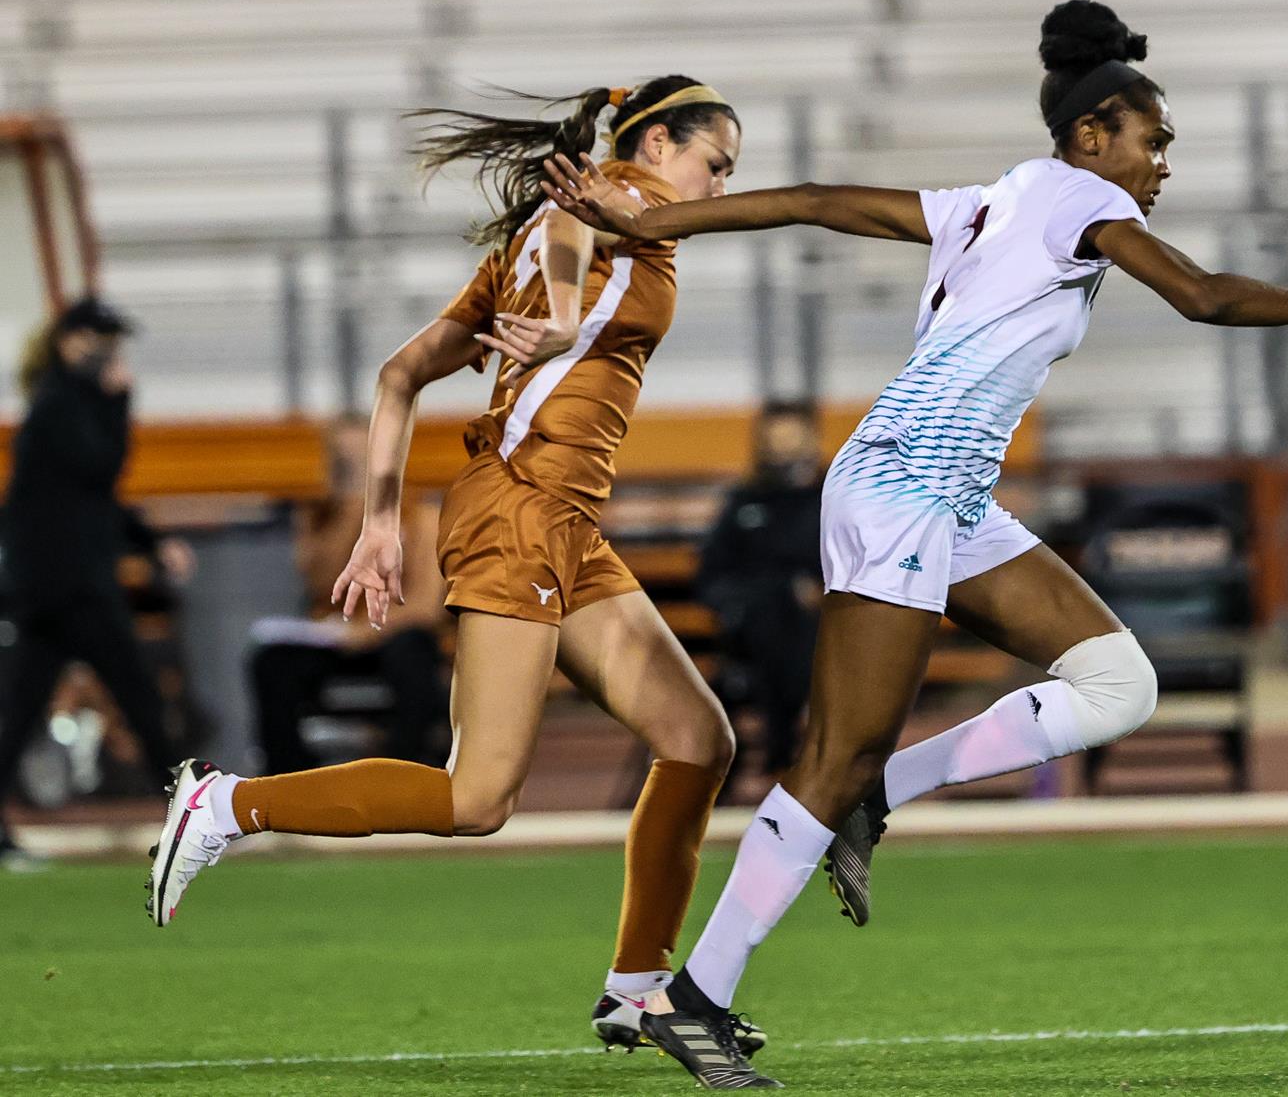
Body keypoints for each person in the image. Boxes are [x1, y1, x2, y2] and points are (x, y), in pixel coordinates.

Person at [542, 0, 1288, 1087]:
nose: (1161, 161)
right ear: (1089, 134)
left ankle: (881, 799)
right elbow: (1201, 297)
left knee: (1116, 683)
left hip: (948, 496)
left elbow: (822, 202)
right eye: (1150, 138)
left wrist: (657, 225)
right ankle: (697, 997)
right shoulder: (1077, 200)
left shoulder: (996, 199)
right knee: (829, 758)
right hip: (903, 491)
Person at [142, 76, 768, 1056]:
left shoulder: (568, 222)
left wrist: (380, 523)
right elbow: (577, 229)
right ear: (653, 146)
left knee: (695, 739)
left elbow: (400, 375)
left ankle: (638, 986)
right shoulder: (621, 203)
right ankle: (223, 805)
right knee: (476, 798)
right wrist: (564, 314)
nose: (723, 184)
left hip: (561, 524)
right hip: (523, 513)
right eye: (714, 161)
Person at [0, 298, 195, 871]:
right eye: (101, 340)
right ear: (70, 341)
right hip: (69, 585)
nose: (111, 353)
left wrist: (151, 543)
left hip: (55, 584)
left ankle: (190, 814)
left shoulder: (64, 403)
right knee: (136, 693)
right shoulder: (62, 404)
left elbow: (96, 501)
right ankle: (192, 817)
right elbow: (104, 467)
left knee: (23, 709)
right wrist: (120, 399)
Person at [246, 417, 449, 774]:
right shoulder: (318, 516)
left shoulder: (423, 517)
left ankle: (400, 767)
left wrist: (371, 632)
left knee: (414, 655)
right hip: (337, 636)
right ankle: (287, 773)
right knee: (273, 662)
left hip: (396, 634)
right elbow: (321, 584)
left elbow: (426, 606)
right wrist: (356, 506)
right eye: (344, 461)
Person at [696, 401, 823, 787]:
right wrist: (751, 601)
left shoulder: (834, 498)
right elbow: (712, 575)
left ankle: (785, 752)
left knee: (796, 615)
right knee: (776, 607)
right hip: (753, 635)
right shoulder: (744, 503)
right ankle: (782, 752)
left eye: (792, 437)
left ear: (812, 439)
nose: (783, 447)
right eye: (775, 437)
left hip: (823, 633)